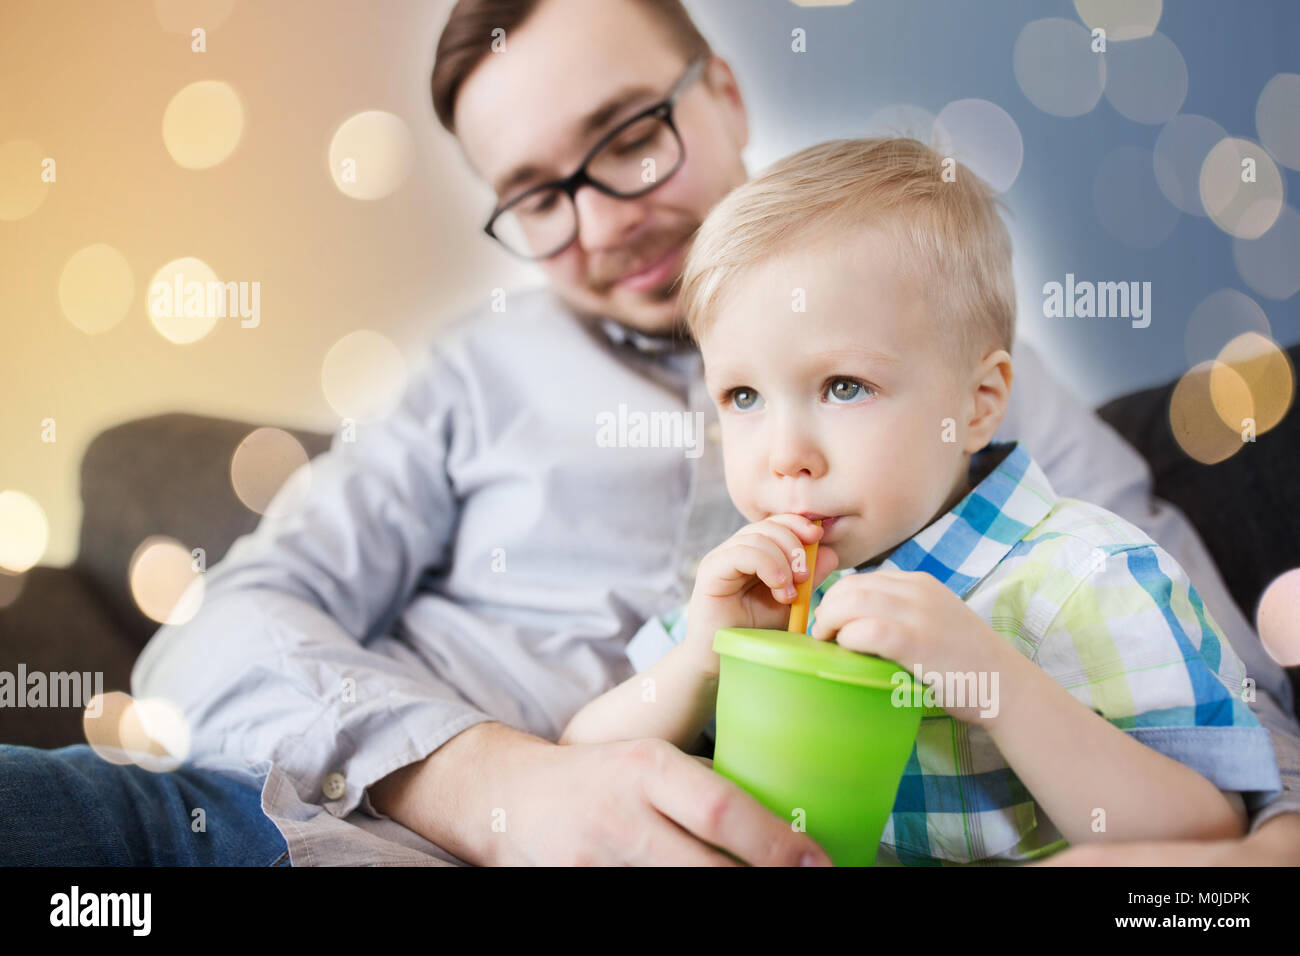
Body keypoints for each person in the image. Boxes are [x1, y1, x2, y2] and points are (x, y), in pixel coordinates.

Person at [2, 0, 1297, 866]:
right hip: (282, 825)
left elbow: (1220, 716)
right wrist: (504, 796)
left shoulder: (964, 382)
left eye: (627, 136)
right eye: (534, 196)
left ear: (723, 92)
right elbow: (216, 632)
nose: (602, 220)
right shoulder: (474, 377)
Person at [558, 137, 1282, 864]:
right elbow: (578, 770)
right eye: (743, 396)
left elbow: (1205, 833)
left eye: (844, 387)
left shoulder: (1086, 577)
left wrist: (997, 683)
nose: (784, 456)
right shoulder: (769, 590)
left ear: (978, 403)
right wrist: (702, 661)